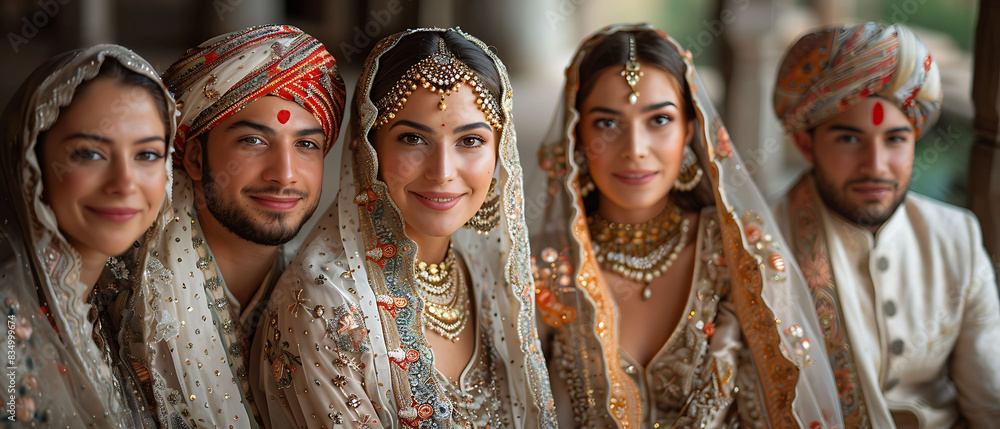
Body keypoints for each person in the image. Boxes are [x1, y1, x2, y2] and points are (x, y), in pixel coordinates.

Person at [531, 23, 844, 428]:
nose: (635, 149)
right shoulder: (544, 265)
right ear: (577, 138)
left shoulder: (738, 253)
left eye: (659, 120)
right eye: (608, 123)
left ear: (690, 132)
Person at [252, 28, 557, 428]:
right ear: (368, 149)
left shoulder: (490, 270)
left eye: (470, 141)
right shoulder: (325, 303)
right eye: (413, 138)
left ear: (500, 149)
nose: (443, 172)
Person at [114, 24, 346, 427]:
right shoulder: (125, 306)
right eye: (253, 141)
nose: (285, 174)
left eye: (306, 144)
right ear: (195, 159)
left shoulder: (328, 302)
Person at [772, 22, 1000, 427]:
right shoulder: (763, 243)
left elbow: (989, 399)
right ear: (806, 144)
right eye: (849, 139)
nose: (876, 166)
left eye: (895, 139)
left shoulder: (956, 237)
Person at [0, 45, 175, 427]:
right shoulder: (7, 332)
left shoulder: (111, 313)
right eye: (90, 153)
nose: (124, 183)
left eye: (146, 155)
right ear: (30, 161)